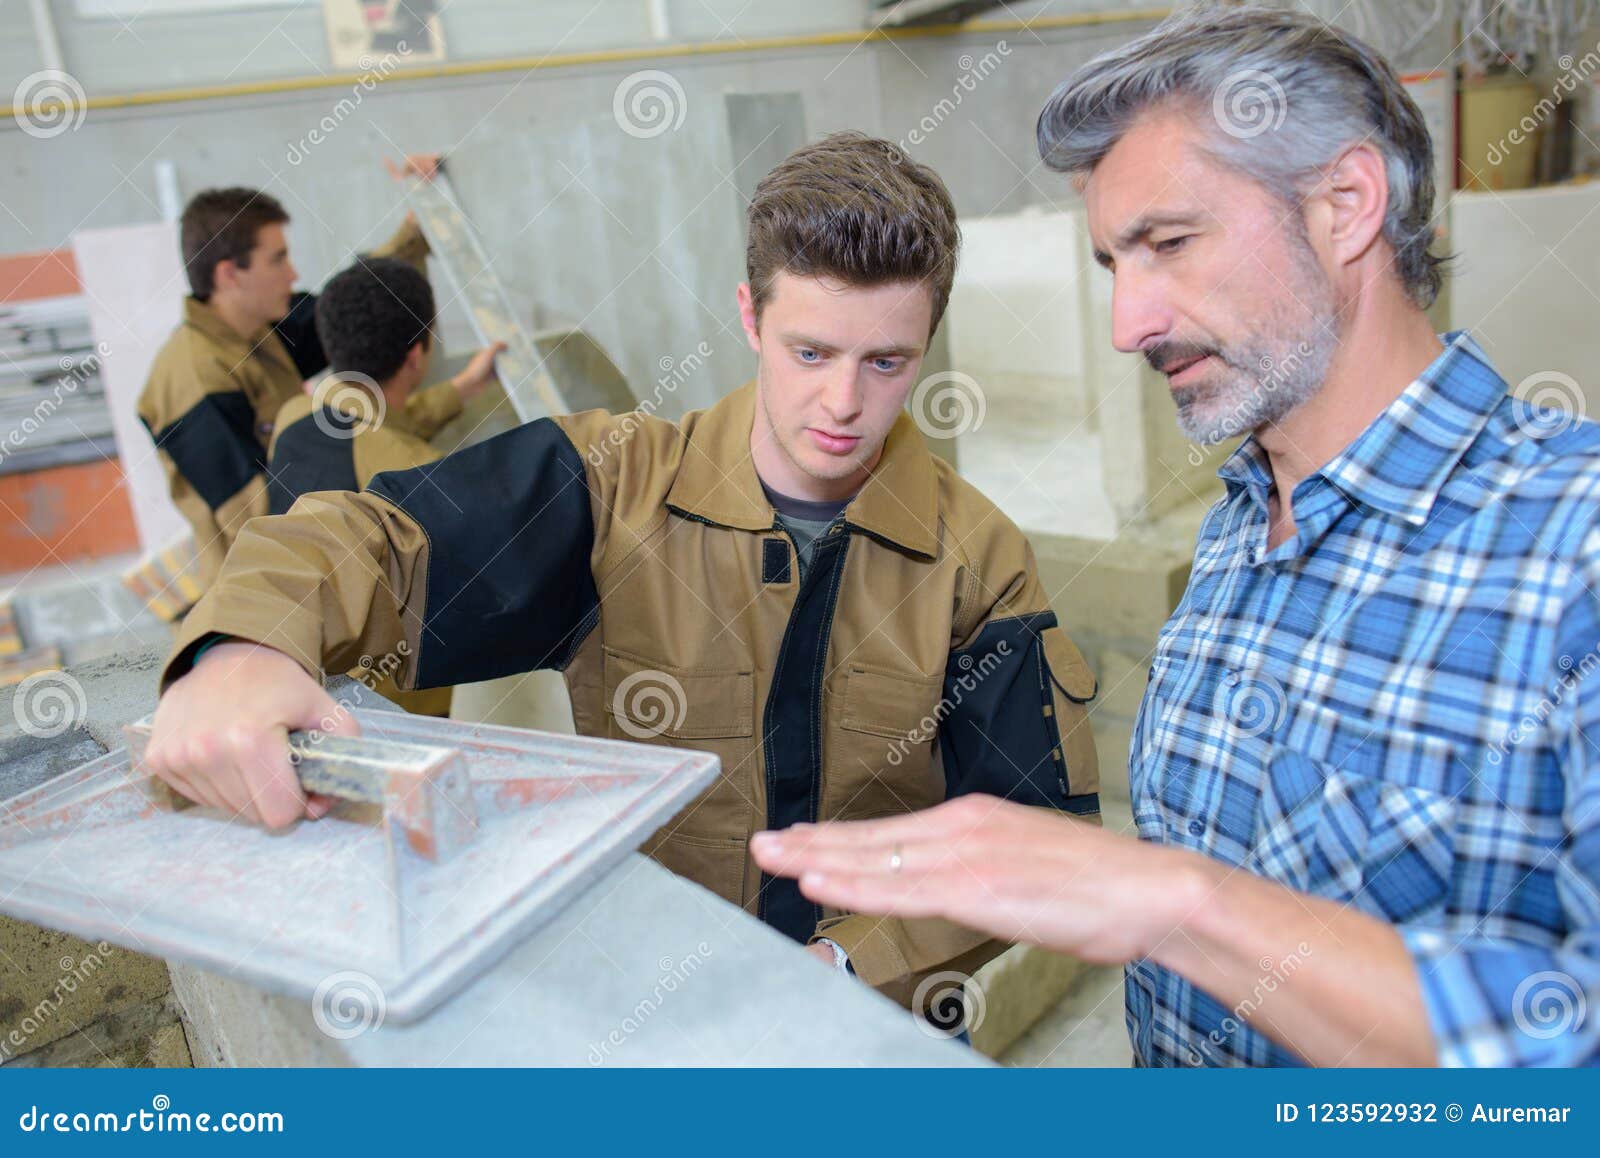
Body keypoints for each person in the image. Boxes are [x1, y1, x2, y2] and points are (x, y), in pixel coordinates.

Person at [753, 4, 1600, 1067]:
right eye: (1115, 263)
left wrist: (1178, 904)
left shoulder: (1575, 548)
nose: (1128, 325)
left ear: (1345, 204)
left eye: (1169, 243)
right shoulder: (1236, 537)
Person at [143, 132, 1101, 1011]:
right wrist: (242, 644)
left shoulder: (978, 558)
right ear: (747, 314)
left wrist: (850, 965)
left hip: (875, 1042)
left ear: (928, 340)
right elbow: (378, 541)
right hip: (657, 1027)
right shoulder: (614, 490)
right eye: (809, 351)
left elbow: (1037, 838)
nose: (843, 403)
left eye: (887, 362)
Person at [137, 156, 469, 589]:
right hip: (277, 596)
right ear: (229, 274)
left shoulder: (258, 331)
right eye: (278, 259)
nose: (292, 273)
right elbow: (258, 522)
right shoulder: (195, 380)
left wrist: (415, 225)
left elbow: (352, 308)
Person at [263, 255, 504, 716]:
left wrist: (464, 388)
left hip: (293, 667)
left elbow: (374, 428)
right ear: (416, 356)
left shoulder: (295, 417)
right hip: (391, 712)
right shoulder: (423, 478)